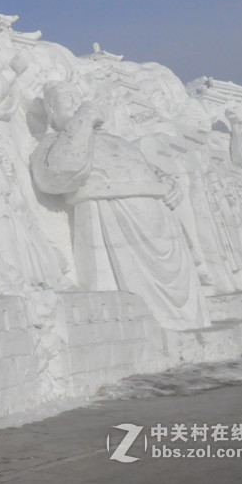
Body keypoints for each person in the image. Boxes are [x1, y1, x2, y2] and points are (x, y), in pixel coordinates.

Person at [31, 81, 209, 330]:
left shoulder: (118, 141)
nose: (76, 104)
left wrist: (169, 184)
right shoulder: (51, 145)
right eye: (67, 100)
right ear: (51, 111)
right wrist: (83, 119)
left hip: (160, 222)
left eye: (77, 98)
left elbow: (149, 169)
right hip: (111, 218)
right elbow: (58, 174)